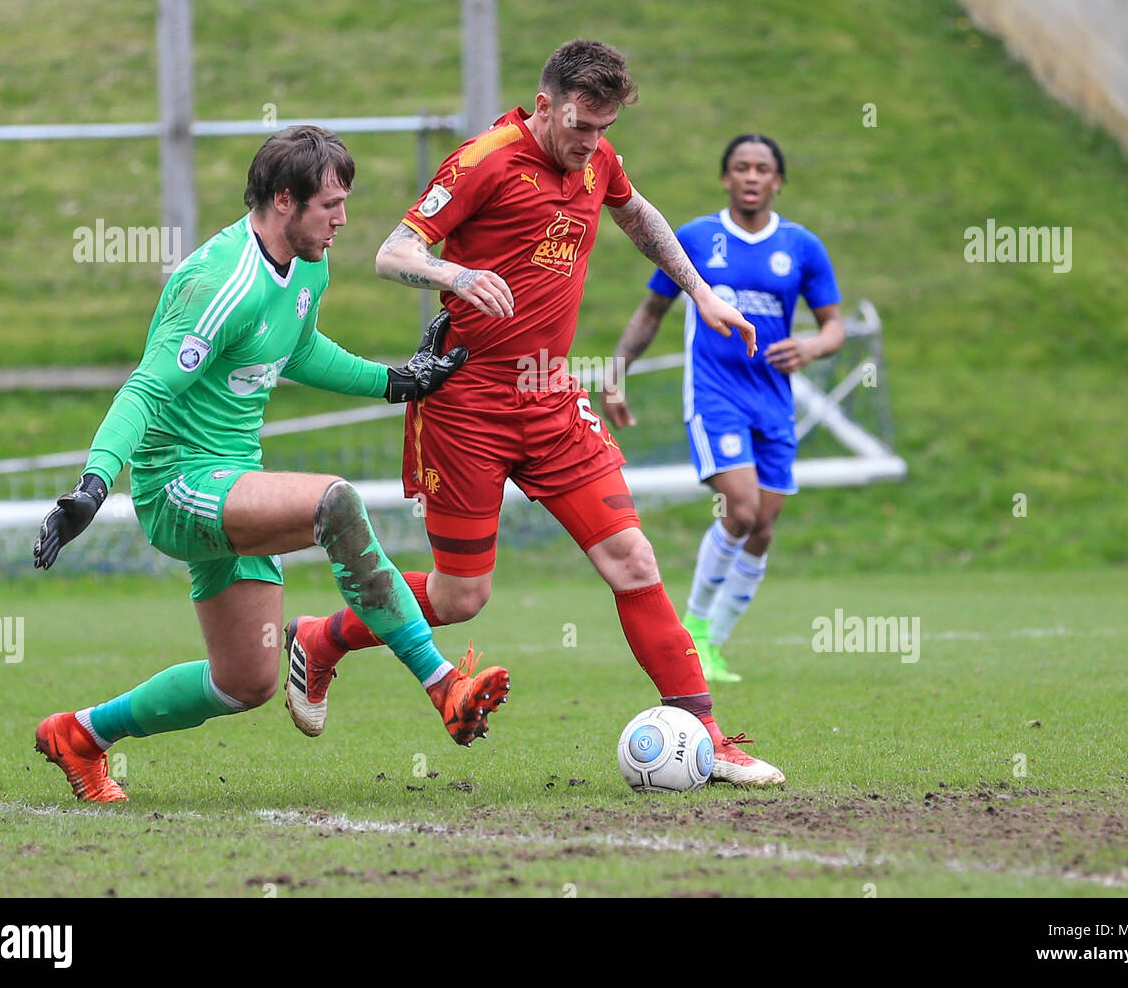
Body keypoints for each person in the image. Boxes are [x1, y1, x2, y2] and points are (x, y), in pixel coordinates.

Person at [286, 40, 785, 786]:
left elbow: (636, 212)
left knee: (633, 559)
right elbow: (393, 252)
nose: (591, 143)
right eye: (581, 125)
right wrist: (457, 272)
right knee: (462, 598)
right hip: (467, 403)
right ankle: (321, 638)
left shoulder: (598, 159)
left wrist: (701, 291)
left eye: (605, 129)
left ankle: (709, 738)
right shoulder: (484, 159)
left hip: (552, 397)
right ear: (545, 103)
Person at [32, 125, 510, 804]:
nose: (343, 220)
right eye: (330, 205)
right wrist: (94, 482)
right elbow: (145, 388)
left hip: (235, 485)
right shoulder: (221, 281)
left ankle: (79, 736)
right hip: (180, 489)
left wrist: (399, 381)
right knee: (334, 503)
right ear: (283, 200)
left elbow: (302, 350)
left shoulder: (308, 263)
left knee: (245, 682)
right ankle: (443, 686)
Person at [603, 133, 844, 682]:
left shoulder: (802, 247)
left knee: (762, 529)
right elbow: (651, 311)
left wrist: (810, 346)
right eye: (741, 167)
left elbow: (835, 327)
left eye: (763, 168)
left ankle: (711, 640)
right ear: (726, 178)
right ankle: (691, 631)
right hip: (715, 396)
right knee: (742, 510)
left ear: (778, 180)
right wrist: (616, 374)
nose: (752, 177)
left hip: (773, 400)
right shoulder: (695, 237)